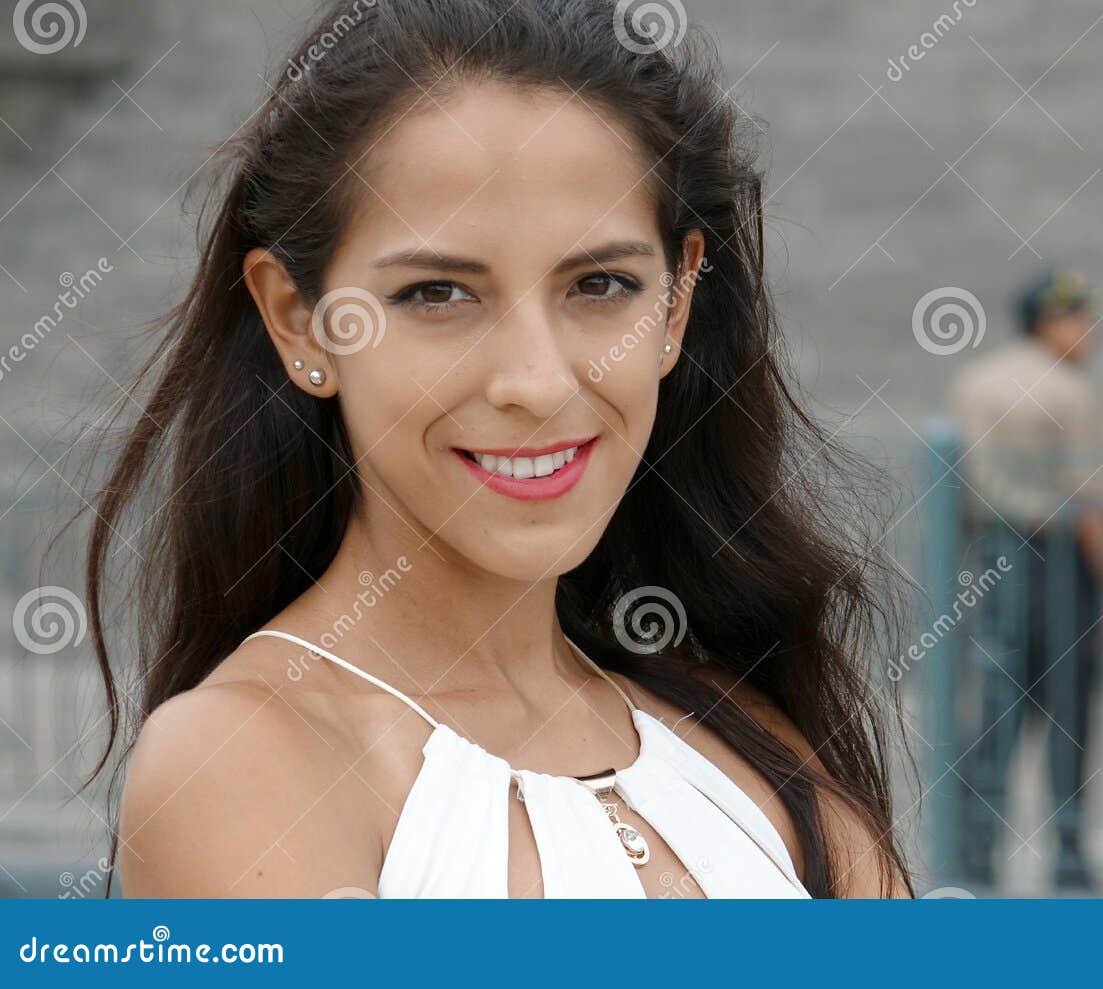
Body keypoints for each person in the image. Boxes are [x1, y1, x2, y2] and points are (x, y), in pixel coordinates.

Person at [76, 0, 914, 899]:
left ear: (674, 306)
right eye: (438, 293)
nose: (538, 382)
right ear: (299, 320)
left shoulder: (753, 744)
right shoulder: (242, 763)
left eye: (601, 284)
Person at [946, 269, 1103, 893]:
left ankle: (975, 852)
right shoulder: (1069, 389)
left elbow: (957, 483)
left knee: (996, 705)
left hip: (993, 555)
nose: (1090, 332)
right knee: (1069, 706)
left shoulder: (974, 381)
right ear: (1050, 322)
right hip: (1058, 558)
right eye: (1081, 319)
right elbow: (1087, 498)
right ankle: (1069, 852)